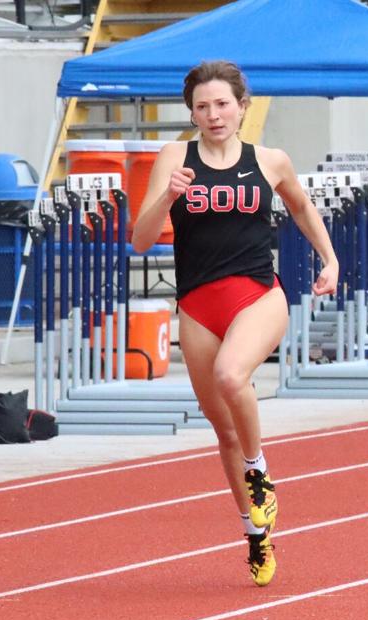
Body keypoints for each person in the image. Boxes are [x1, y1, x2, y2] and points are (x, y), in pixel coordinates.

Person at [132, 60, 338, 586]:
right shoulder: (174, 158)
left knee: (231, 376)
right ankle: (255, 533)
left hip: (257, 294)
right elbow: (140, 238)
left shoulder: (269, 160)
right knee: (222, 428)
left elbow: (302, 208)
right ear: (192, 113)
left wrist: (329, 259)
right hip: (198, 304)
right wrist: (168, 196)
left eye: (222, 103)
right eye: (203, 106)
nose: (213, 114)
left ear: (242, 107)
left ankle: (260, 471)